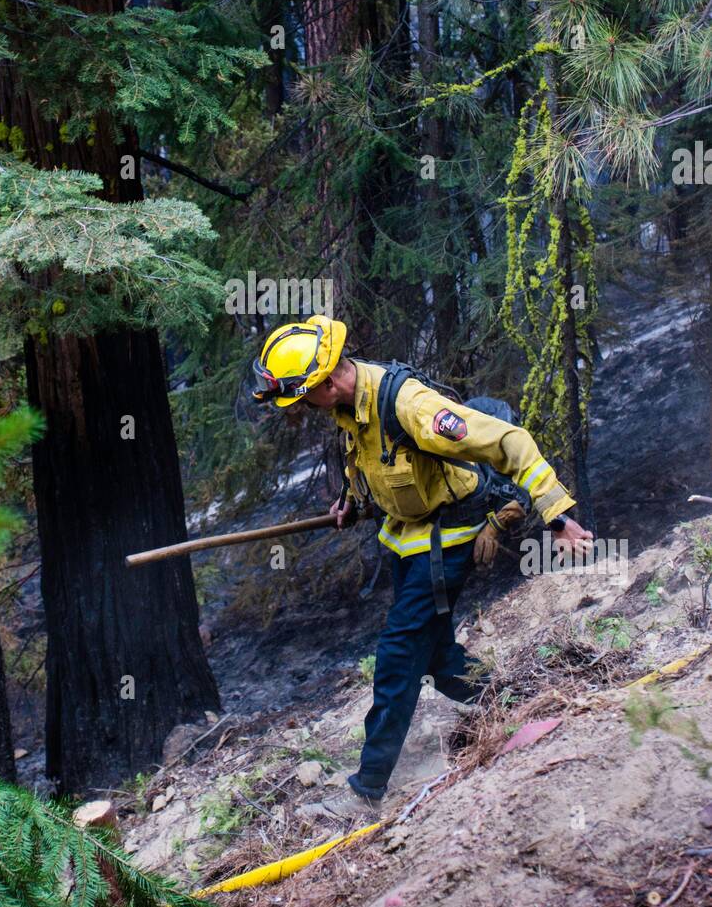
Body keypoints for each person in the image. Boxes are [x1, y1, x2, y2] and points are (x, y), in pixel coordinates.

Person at [252, 314, 594, 802]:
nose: (304, 407)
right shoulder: (349, 404)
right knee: (435, 656)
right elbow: (374, 459)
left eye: (303, 396)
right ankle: (512, 703)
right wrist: (354, 500)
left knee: (398, 651)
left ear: (327, 382)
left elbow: (509, 442)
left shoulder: (409, 405)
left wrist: (557, 516)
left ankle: (368, 785)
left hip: (449, 537)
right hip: (407, 537)